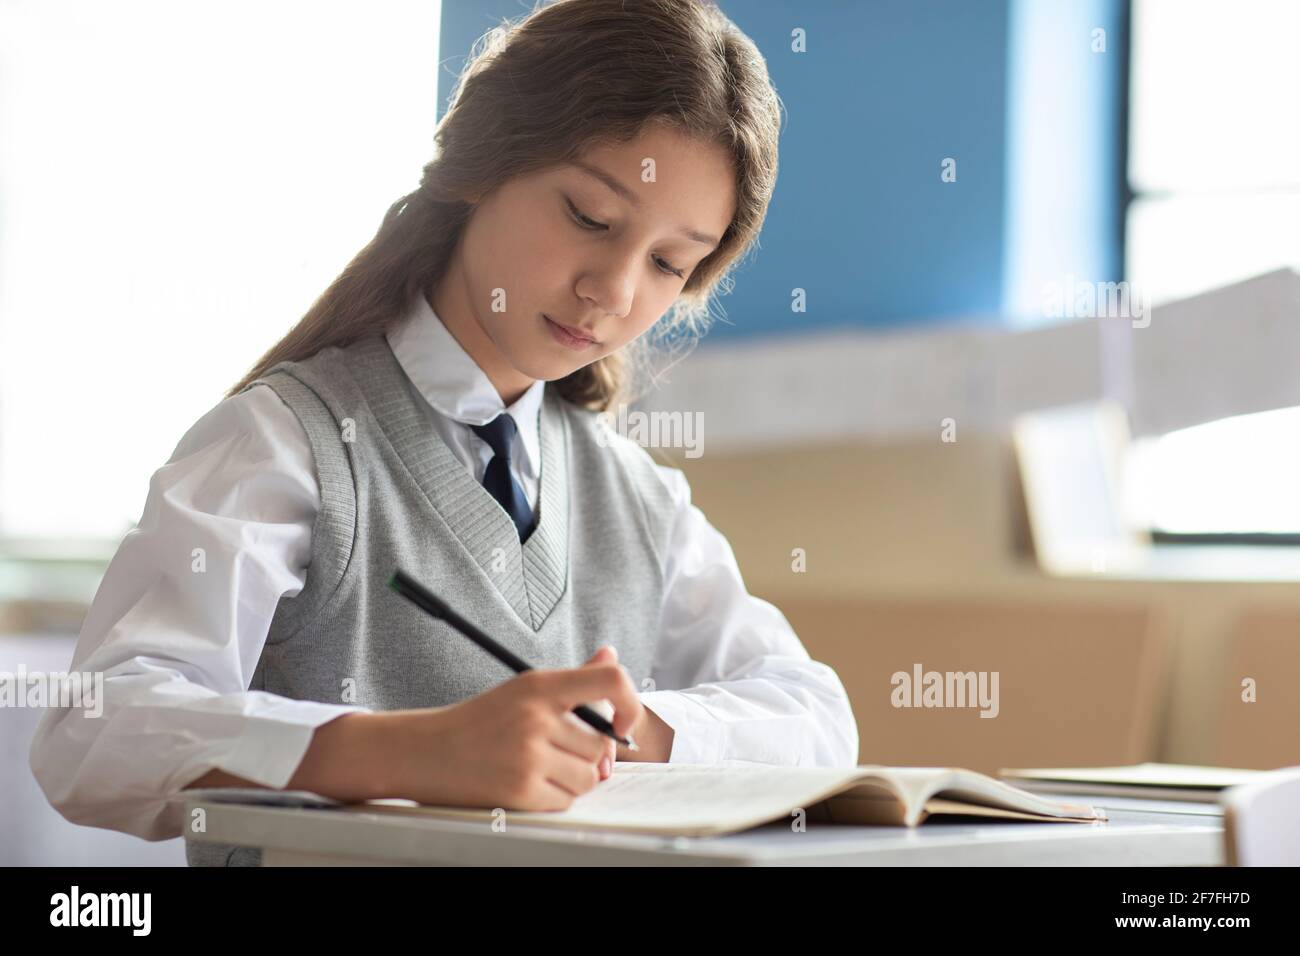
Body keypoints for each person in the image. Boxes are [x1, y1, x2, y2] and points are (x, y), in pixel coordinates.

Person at [30, 0, 859, 867]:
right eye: (588, 216)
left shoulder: (640, 499)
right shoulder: (282, 445)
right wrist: (414, 753)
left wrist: (633, 728)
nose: (615, 291)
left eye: (667, 263)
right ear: (479, 165)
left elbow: (818, 718)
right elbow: (95, 730)